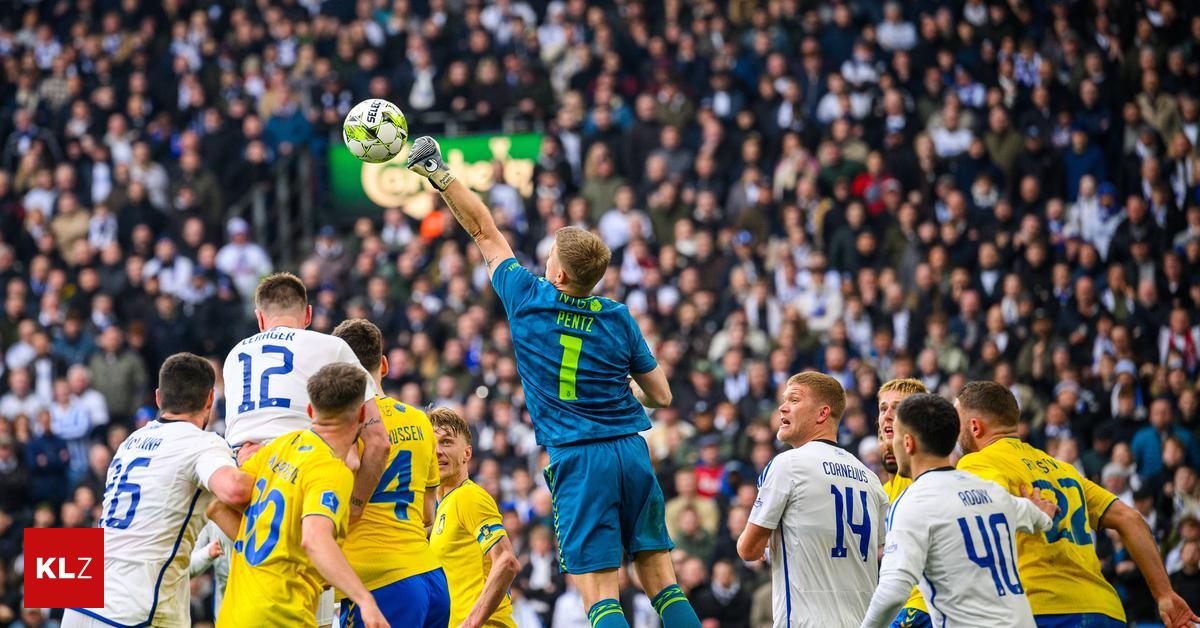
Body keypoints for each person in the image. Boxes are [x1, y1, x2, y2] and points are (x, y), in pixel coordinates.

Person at [408, 137, 699, 628]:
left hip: (578, 459)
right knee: (663, 584)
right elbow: (663, 395)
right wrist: (621, 389)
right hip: (630, 451)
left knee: (600, 592)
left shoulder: (528, 300)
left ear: (559, 273)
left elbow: (483, 229)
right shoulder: (617, 316)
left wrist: (438, 172)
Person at [955, 381, 1199, 628]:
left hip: (1042, 609)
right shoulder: (1064, 469)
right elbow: (1131, 519)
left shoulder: (977, 463)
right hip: (1104, 610)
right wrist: (1164, 593)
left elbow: (987, 510)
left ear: (975, 426)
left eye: (957, 422)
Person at [220, 272, 388, 624]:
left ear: (259, 318)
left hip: (244, 487)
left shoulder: (235, 355)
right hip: (302, 480)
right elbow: (378, 439)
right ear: (308, 315)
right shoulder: (330, 347)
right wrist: (353, 509)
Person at [61, 353, 253, 627]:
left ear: (158, 398)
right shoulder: (202, 444)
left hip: (81, 597)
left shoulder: (130, 441)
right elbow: (234, 490)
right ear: (210, 399)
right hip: (133, 608)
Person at [860, 393, 1057, 627]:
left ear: (908, 443)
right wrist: (1043, 514)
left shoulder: (913, 502)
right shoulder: (991, 491)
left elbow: (892, 591)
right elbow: (1039, 517)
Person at [736, 371, 888, 627]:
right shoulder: (870, 479)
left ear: (822, 413)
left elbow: (748, 549)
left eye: (794, 400)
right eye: (783, 400)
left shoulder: (789, 465)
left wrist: (767, 542)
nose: (782, 407)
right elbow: (879, 551)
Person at [332, 319, 450, 627]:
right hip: (431, 580)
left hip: (379, 583)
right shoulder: (420, 421)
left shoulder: (344, 428)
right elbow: (428, 514)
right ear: (383, 365)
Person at [430, 407, 520, 628]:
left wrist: (470, 623)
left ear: (467, 454)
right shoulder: (444, 506)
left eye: (447, 442)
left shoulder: (469, 496)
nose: (437, 451)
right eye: (432, 445)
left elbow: (506, 562)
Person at [874, 378, 931, 628]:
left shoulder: (926, 472)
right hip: (902, 604)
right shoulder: (887, 488)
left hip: (925, 605)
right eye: (883, 408)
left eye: (896, 408)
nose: (887, 415)